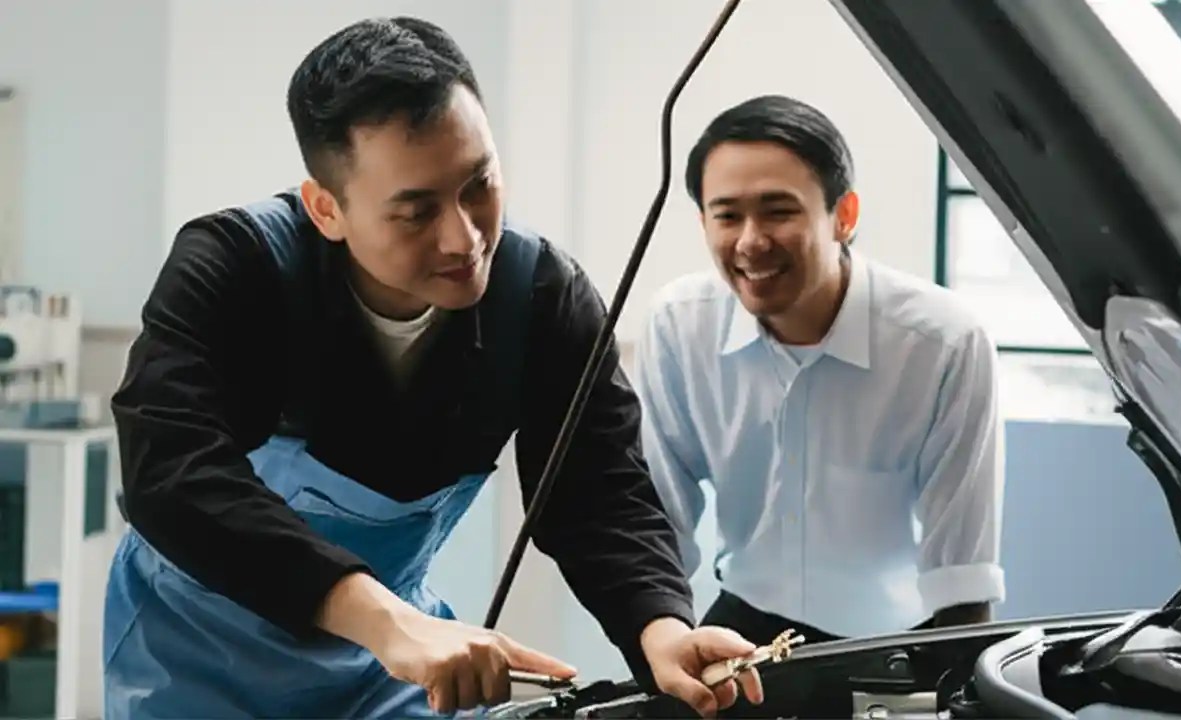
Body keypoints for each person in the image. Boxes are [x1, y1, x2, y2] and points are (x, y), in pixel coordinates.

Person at [102, 17, 765, 720]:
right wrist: (387, 623)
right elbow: (170, 472)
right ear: (326, 209)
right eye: (415, 212)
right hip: (198, 657)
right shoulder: (236, 270)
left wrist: (659, 627)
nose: (465, 236)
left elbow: (597, 491)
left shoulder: (537, 297)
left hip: (385, 666)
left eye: (479, 185)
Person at [633, 95, 1006, 649]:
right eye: (728, 215)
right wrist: (664, 647)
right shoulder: (677, 325)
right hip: (744, 623)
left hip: (893, 639)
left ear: (844, 216)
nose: (751, 241)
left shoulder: (945, 343)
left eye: (779, 211)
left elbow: (963, 573)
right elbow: (659, 521)